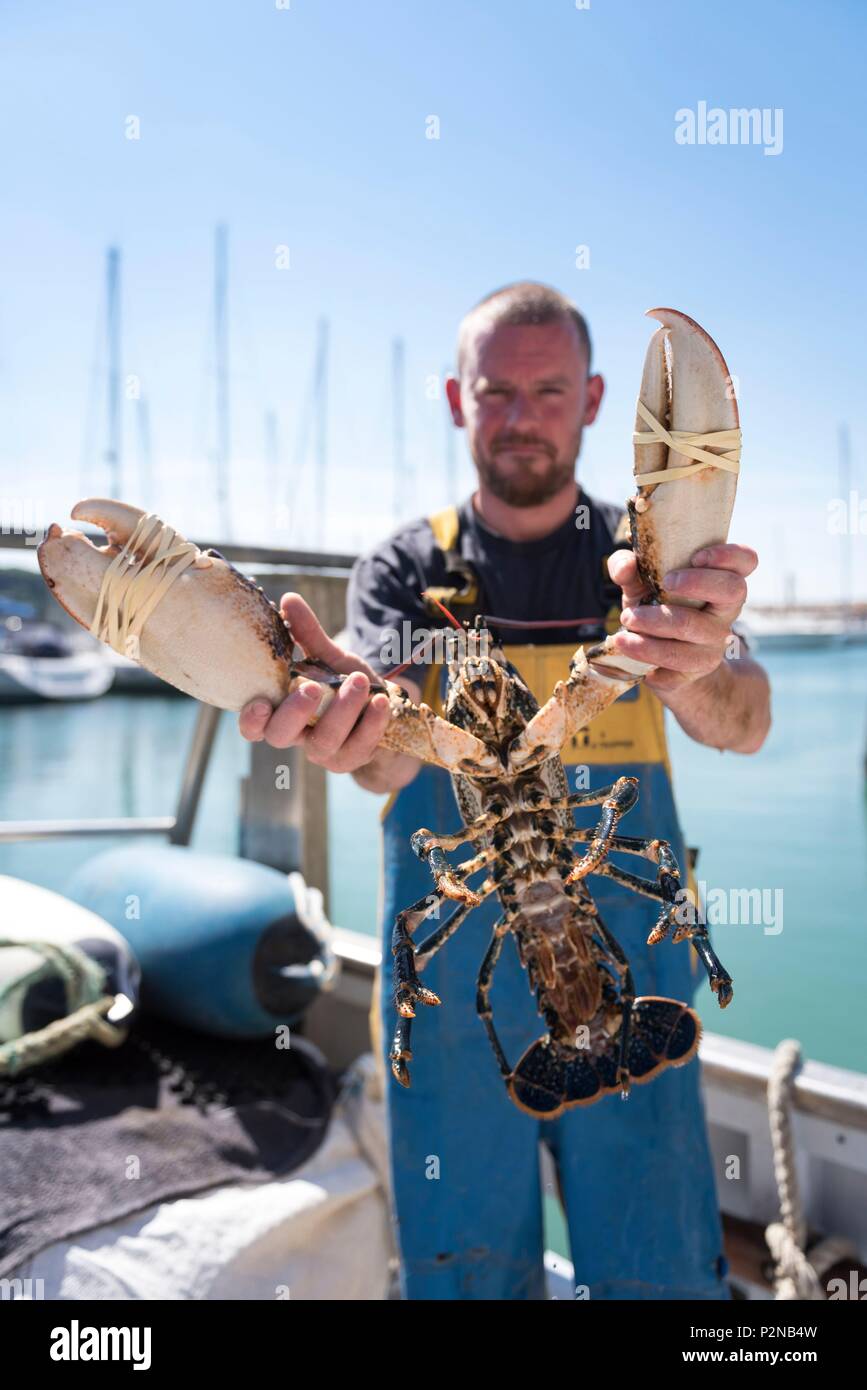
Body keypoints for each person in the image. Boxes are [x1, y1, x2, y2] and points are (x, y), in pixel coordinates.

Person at [239, 282, 771, 1300]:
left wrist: (696, 665)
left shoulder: (648, 562)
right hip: (458, 1013)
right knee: (466, 1275)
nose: (522, 415)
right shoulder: (407, 566)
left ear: (594, 397)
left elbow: (748, 722)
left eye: (549, 389)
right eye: (498, 392)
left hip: (633, 973)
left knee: (663, 1271)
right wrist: (352, 731)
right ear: (456, 399)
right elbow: (392, 751)